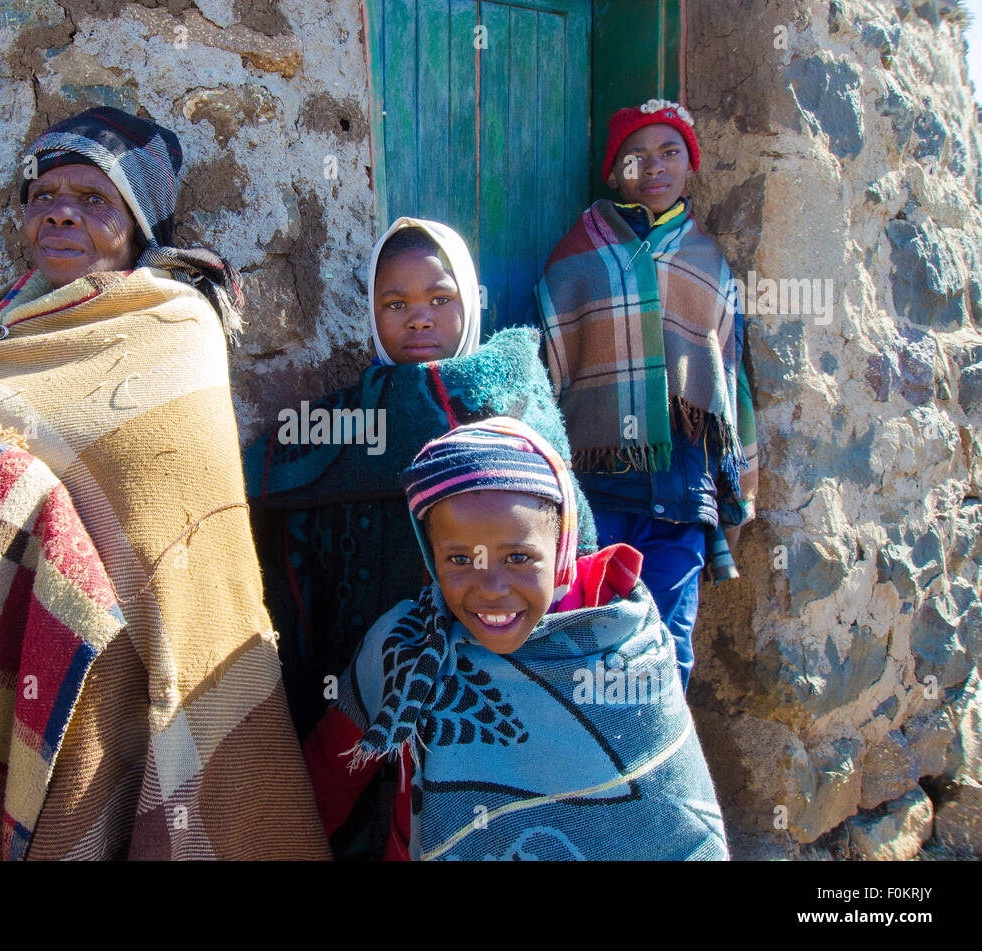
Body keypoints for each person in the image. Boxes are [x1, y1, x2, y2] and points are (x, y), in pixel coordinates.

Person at [0, 106, 329, 860]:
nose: (60, 211)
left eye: (93, 199)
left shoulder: (174, 325)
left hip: (136, 643)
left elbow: (174, 527)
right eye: (44, 195)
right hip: (22, 635)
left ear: (139, 222)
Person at [244, 218, 597, 858]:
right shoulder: (349, 419)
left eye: (440, 298)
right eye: (395, 303)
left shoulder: (516, 397)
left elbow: (573, 535)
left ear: (470, 299)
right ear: (373, 315)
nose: (419, 318)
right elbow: (267, 477)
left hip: (499, 657)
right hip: (370, 669)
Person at [302, 417, 729, 861]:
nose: (491, 587)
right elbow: (326, 781)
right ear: (430, 556)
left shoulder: (623, 642)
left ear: (562, 543)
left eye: (519, 557)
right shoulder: (408, 648)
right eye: (460, 559)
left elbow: (679, 825)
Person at [533, 98, 758, 692]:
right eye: (636, 157)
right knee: (592, 634)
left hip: (684, 485)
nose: (654, 167)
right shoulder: (576, 258)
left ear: (691, 165)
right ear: (614, 174)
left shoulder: (708, 261)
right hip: (600, 479)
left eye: (670, 152)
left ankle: (658, 778)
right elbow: (554, 370)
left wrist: (741, 477)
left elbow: (729, 375)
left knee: (669, 643)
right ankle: (594, 779)